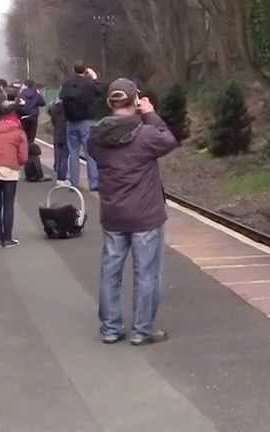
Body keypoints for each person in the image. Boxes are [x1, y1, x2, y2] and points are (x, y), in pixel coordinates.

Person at [88, 78, 179, 346]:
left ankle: (110, 328)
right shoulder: (146, 134)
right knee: (146, 273)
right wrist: (149, 113)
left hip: (113, 213)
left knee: (110, 271)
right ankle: (142, 330)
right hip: (145, 215)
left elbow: (96, 153)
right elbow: (170, 141)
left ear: (109, 102)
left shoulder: (96, 136)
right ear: (135, 100)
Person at [0, 95, 30, 248]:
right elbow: (24, 157)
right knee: (8, 205)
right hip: (9, 171)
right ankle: (7, 239)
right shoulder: (19, 132)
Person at [59, 64, 103, 191]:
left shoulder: (67, 84)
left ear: (74, 70)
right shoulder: (89, 84)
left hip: (71, 122)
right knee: (90, 153)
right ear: (85, 71)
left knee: (73, 153)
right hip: (86, 121)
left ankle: (74, 183)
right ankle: (94, 182)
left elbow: (61, 98)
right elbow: (100, 91)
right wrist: (94, 77)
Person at [18, 79, 47, 143]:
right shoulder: (36, 93)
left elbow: (18, 105)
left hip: (23, 118)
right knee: (31, 137)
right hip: (33, 117)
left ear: (26, 85)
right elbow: (43, 103)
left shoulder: (21, 94)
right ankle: (30, 149)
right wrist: (39, 94)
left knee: (22, 137)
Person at [49, 98, 69, 182]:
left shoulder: (53, 106)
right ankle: (62, 176)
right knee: (64, 155)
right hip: (65, 132)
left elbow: (52, 120)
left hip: (57, 132)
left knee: (57, 153)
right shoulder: (68, 106)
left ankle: (57, 170)